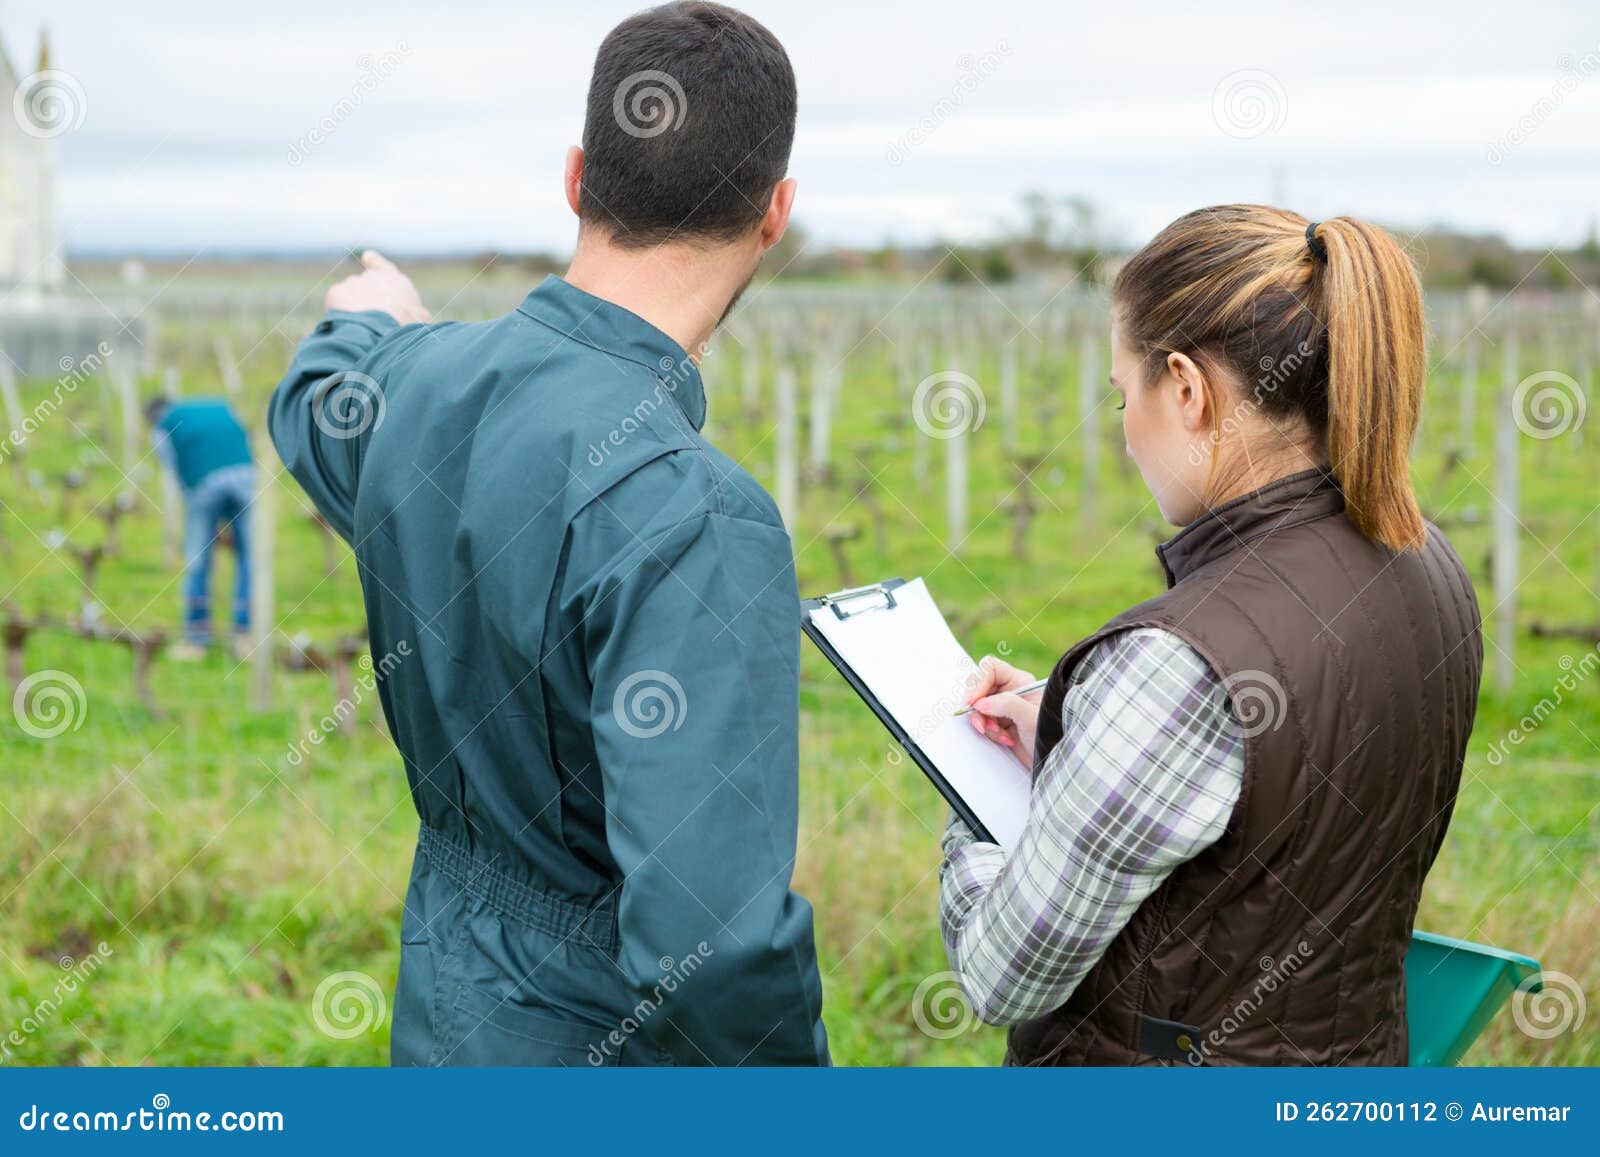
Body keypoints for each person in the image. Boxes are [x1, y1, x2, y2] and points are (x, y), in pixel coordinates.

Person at [270, 3, 826, 1066]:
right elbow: (707, 945)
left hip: (445, 997)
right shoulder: (693, 512)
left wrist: (364, 317)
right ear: (775, 212)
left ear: (577, 178)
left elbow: (311, 401)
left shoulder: (411, 388)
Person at [944, 205, 1483, 1066]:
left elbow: (1001, 973)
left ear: (1189, 389)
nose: (1124, 431)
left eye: (1125, 393)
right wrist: (1078, 732)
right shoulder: (1428, 562)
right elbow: (1282, 800)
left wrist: (964, 790)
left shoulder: (1174, 668)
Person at [145, 395, 254, 661]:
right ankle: (245, 636)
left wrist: (201, 520)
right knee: (249, 559)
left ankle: (196, 639)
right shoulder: (221, 407)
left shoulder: (163, 426)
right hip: (247, 479)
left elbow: (176, 471)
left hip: (204, 488)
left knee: (197, 561)